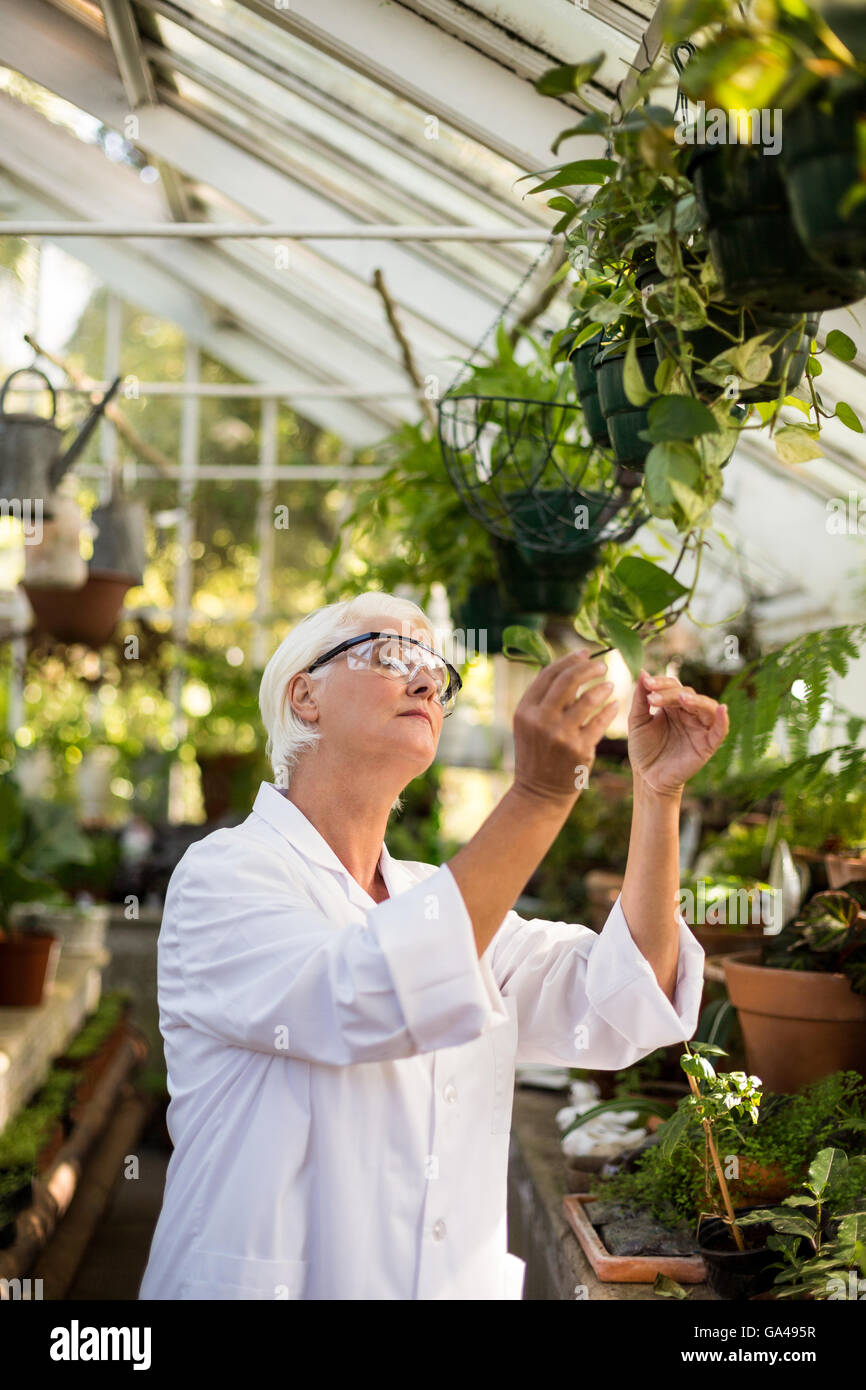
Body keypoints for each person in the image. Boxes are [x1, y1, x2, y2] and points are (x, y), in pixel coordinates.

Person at [138, 590, 728, 1301]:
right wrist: (539, 795)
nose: (426, 681)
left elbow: (617, 1003)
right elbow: (365, 997)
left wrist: (656, 796)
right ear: (305, 697)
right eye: (391, 656)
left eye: (437, 672)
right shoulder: (225, 876)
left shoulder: (435, 897)